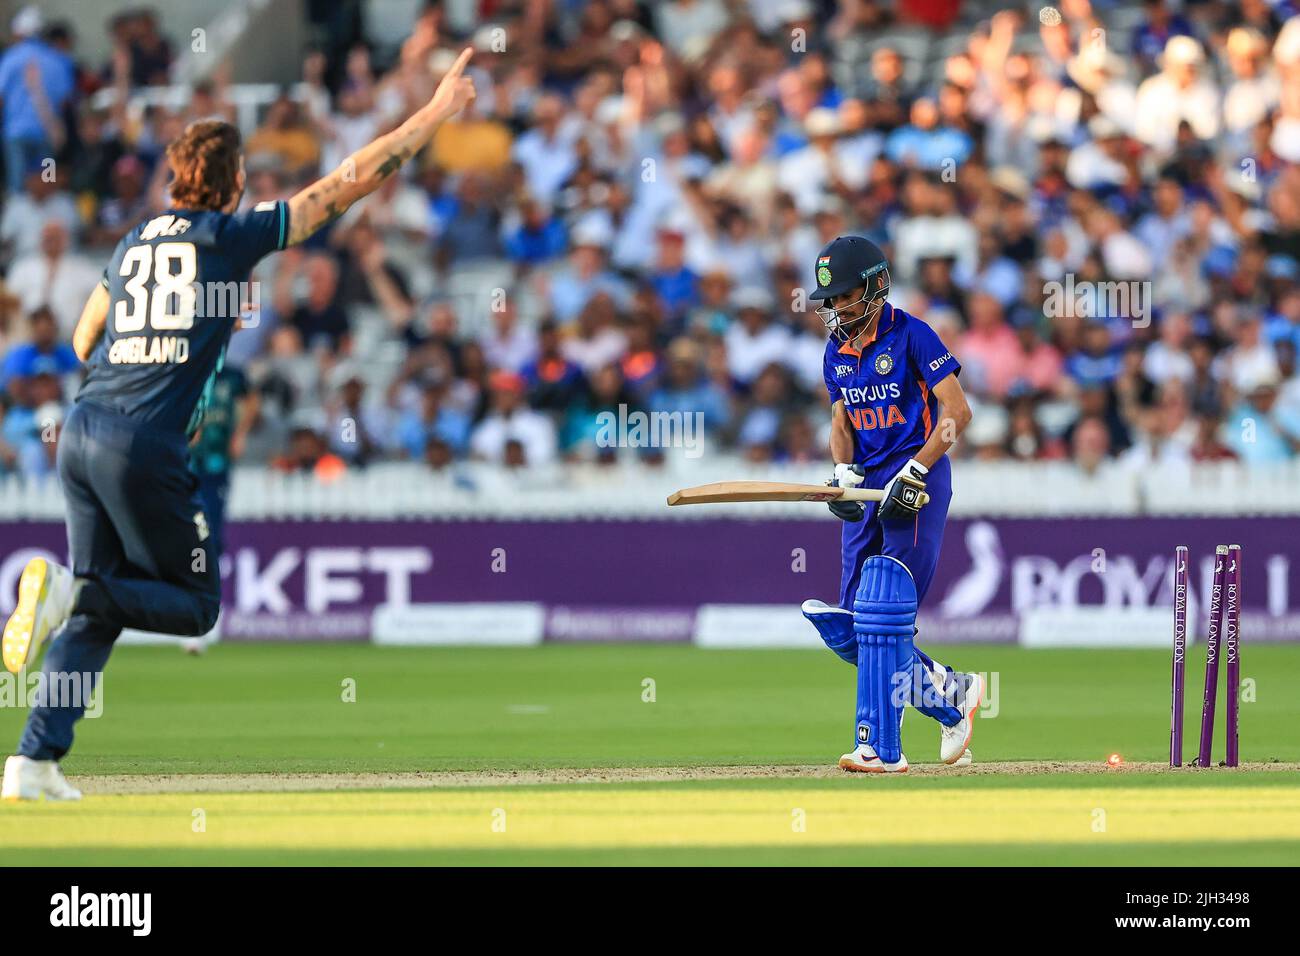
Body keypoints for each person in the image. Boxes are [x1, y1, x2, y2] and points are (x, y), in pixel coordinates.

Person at [0, 49, 477, 801]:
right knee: (192, 604)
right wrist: (437, 112)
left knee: (100, 607)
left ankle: (32, 761)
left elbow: (84, 339)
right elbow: (348, 183)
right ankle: (69, 593)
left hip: (84, 427)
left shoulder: (131, 243)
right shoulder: (230, 237)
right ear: (230, 186)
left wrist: (152, 340)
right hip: (142, 441)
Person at [800, 236, 982, 773]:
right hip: (868, 483)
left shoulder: (913, 335)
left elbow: (958, 412)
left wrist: (919, 469)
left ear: (876, 287)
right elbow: (841, 423)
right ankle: (953, 695)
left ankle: (878, 745)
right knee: (856, 624)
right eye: (828, 299)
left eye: (844, 295)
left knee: (885, 614)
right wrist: (842, 472)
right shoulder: (836, 351)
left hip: (917, 480)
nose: (834, 307)